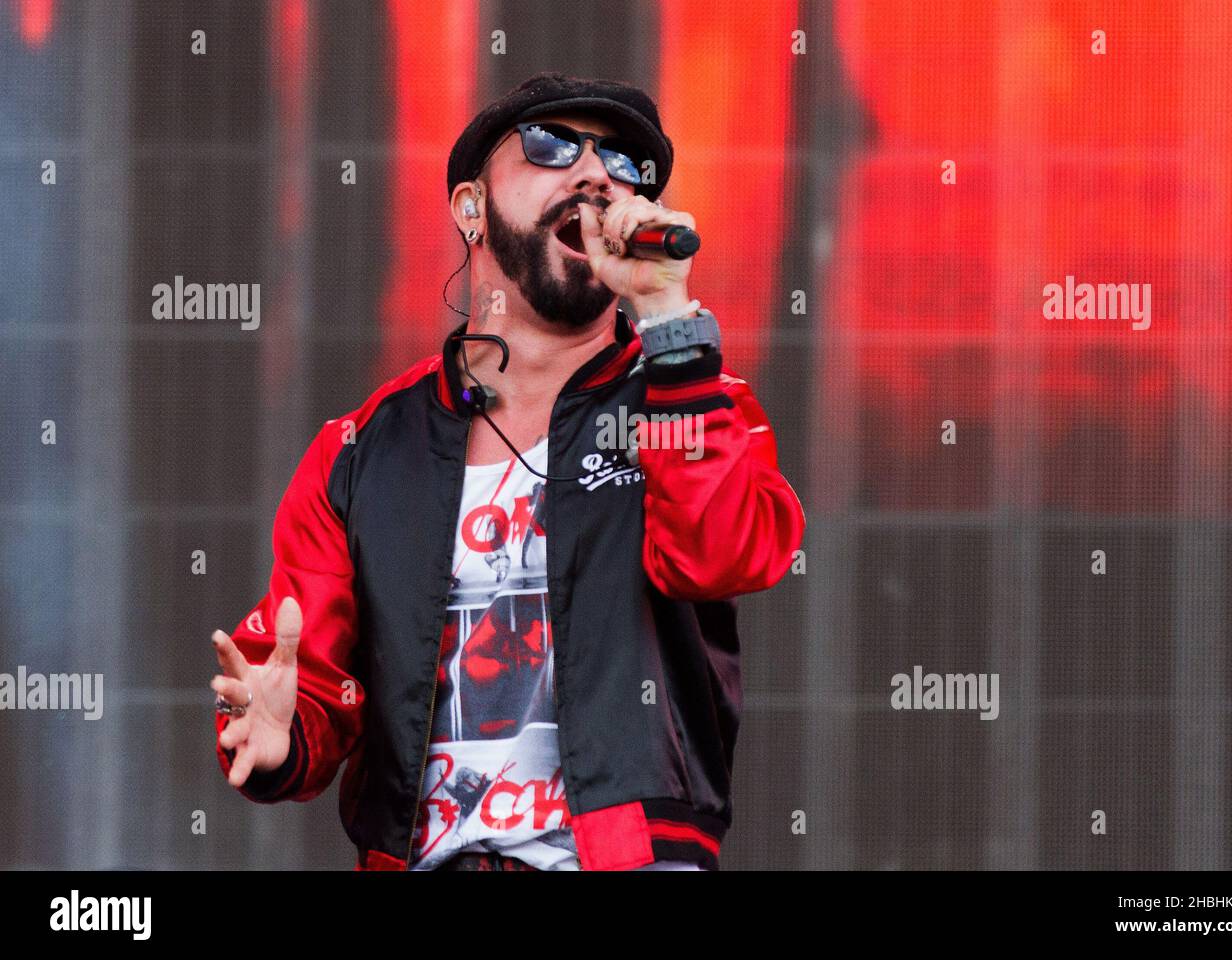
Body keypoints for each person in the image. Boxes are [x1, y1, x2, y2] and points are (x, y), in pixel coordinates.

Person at [209, 71, 805, 871]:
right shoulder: (363, 449)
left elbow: (728, 554)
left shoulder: (694, 398)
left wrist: (669, 320)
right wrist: (284, 734)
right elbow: (308, 680)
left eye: (626, 164)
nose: (597, 173)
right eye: (552, 145)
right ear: (469, 207)